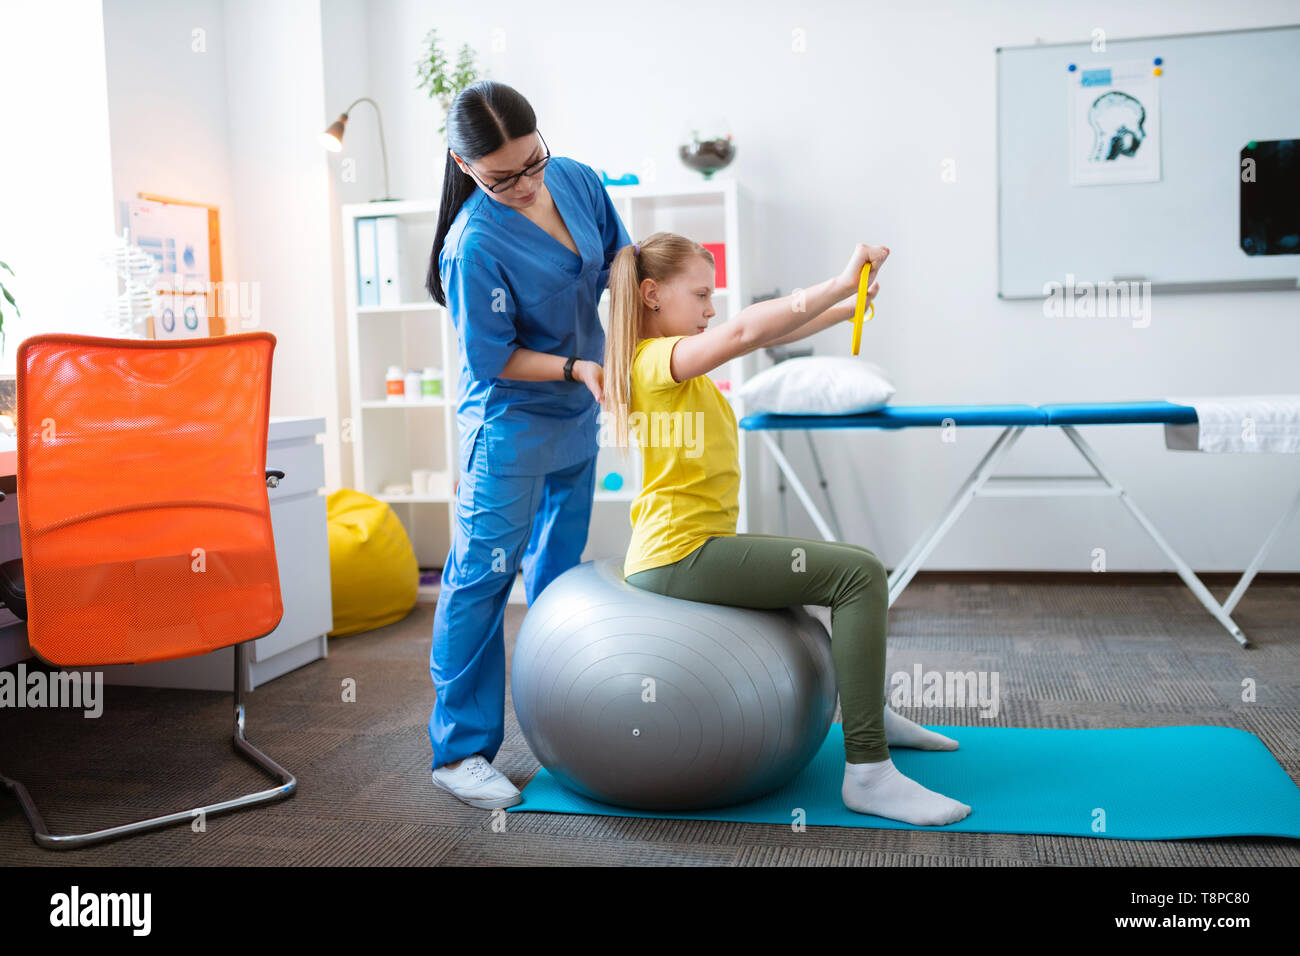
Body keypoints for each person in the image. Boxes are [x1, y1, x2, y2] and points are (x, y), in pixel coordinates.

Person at [604, 233, 972, 826]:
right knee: (859, 573)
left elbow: (769, 334)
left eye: (712, 296)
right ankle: (869, 773)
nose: (710, 309)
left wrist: (842, 308)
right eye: (700, 294)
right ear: (651, 295)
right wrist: (835, 280)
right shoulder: (651, 363)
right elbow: (746, 330)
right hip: (678, 555)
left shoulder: (677, 366)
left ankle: (869, 711)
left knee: (852, 569)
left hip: (693, 547)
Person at [425, 81, 630, 809]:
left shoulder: (574, 177)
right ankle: (460, 752)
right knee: (482, 581)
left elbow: (621, 261)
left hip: (578, 414)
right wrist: (579, 365)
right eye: (501, 177)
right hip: (509, 425)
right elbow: (491, 358)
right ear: (464, 165)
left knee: (558, 579)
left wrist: (648, 337)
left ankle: (560, 728)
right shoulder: (473, 242)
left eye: (531, 163)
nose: (524, 184)